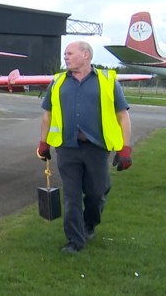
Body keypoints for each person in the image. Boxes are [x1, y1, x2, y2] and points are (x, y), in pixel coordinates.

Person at [37, 40, 133, 253]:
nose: (65, 57)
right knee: (71, 196)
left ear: (86, 55)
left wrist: (125, 148)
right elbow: (47, 115)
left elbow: (122, 116)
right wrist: (43, 143)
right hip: (67, 148)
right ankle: (75, 240)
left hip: (96, 148)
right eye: (65, 54)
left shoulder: (107, 81)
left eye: (70, 53)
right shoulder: (58, 82)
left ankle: (89, 225)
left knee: (97, 193)